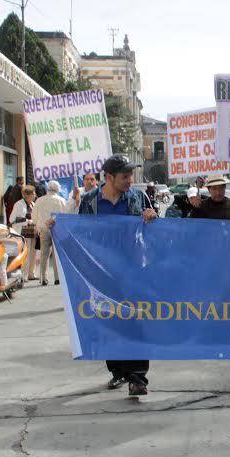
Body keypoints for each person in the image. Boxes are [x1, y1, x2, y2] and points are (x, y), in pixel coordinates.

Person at [53, 155, 158, 395]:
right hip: (100, 272)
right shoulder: (90, 202)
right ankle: (118, 372)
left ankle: (138, 377)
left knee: (134, 321)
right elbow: (80, 233)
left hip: (131, 271)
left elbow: (154, 231)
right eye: (125, 176)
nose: (130, 180)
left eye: (131, 175)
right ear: (109, 177)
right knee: (108, 322)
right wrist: (57, 226)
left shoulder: (138, 198)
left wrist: (151, 219)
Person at [32, 180, 67, 286]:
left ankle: (44, 278)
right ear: (57, 189)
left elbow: (34, 215)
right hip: (57, 229)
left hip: (43, 229)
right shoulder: (61, 200)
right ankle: (57, 278)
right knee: (57, 255)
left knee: (44, 254)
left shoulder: (39, 200)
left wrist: (36, 224)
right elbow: (65, 215)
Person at [9, 185, 38, 281]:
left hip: (32, 232)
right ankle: (23, 275)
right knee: (25, 254)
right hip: (22, 233)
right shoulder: (19, 204)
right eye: (33, 194)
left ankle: (31, 274)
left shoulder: (33, 204)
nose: (35, 195)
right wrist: (27, 220)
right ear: (27, 195)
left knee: (33, 253)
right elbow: (12, 219)